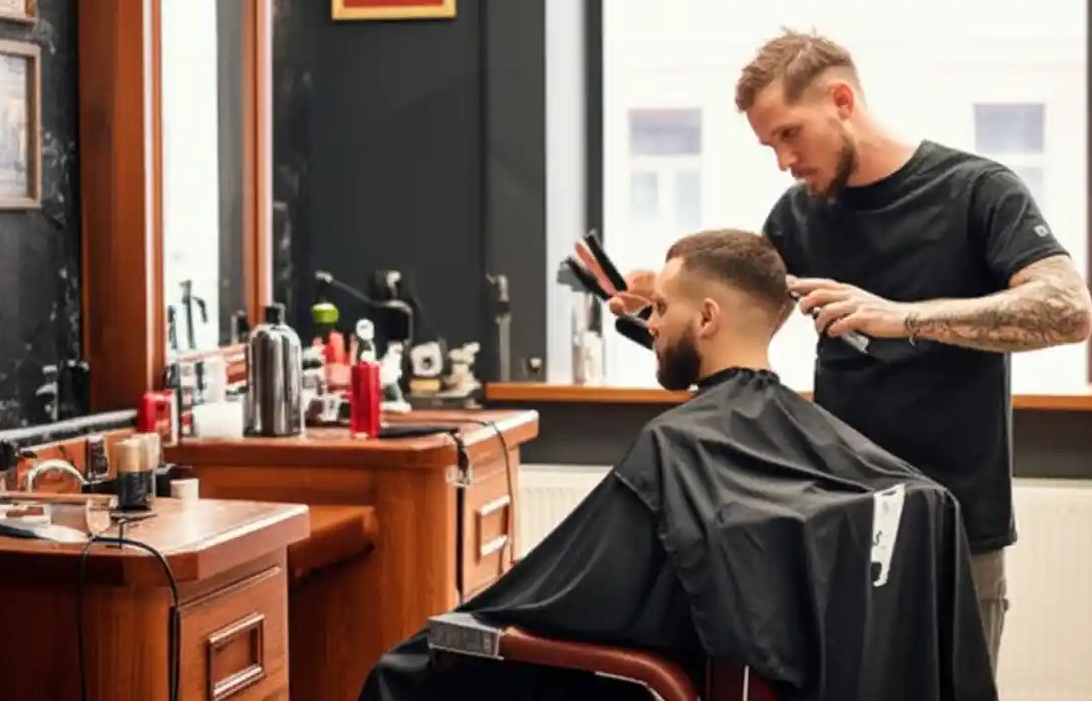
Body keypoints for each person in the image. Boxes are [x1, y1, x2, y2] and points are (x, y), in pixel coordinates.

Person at [601, 30, 1092, 672]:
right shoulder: (799, 217)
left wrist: (905, 318)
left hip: (957, 532)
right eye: (769, 144)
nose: (783, 160)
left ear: (841, 99)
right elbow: (737, 330)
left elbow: (1068, 310)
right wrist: (669, 308)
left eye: (789, 134)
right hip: (838, 529)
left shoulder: (977, 192)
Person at [360, 230, 997, 701]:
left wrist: (476, 624)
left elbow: (570, 602)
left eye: (660, 309)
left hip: (669, 681)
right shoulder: (880, 479)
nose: (652, 325)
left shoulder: (680, 447)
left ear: (709, 317)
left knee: (405, 672)